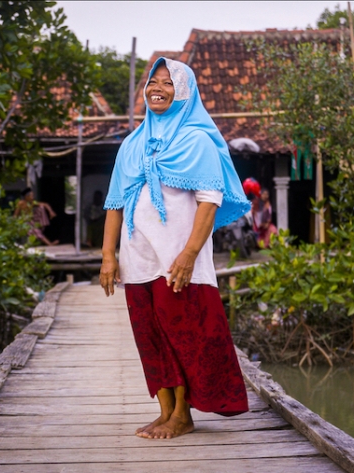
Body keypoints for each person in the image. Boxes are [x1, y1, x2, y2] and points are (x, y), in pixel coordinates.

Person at [99, 57, 251, 439]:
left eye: (169, 83)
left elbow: (209, 200)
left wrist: (189, 253)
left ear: (185, 93)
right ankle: (165, 411)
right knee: (149, 336)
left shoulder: (196, 139)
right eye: (154, 81)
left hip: (178, 261)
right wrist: (107, 255)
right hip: (138, 260)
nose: (159, 88)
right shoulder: (133, 144)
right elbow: (115, 203)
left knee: (181, 336)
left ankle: (183, 415)